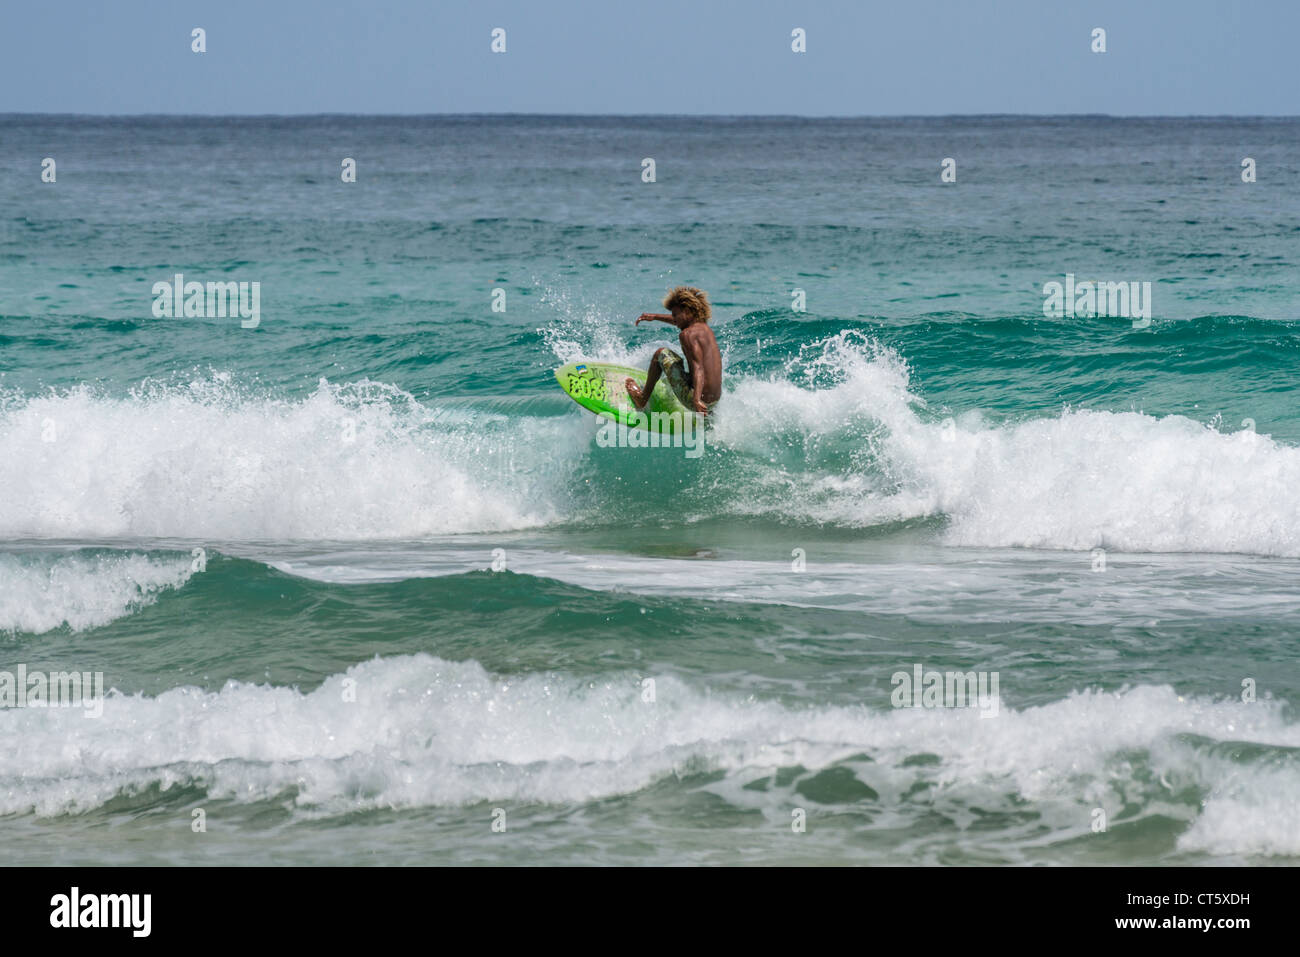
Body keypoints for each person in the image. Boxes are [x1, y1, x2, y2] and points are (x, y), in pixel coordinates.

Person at [625, 286, 722, 417]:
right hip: (714, 401)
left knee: (661, 354)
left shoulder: (687, 335)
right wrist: (654, 317)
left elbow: (698, 368)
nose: (673, 319)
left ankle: (642, 399)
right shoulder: (704, 328)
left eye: (675, 315)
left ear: (687, 311)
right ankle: (709, 417)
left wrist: (696, 400)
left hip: (698, 400)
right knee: (679, 363)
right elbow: (679, 320)